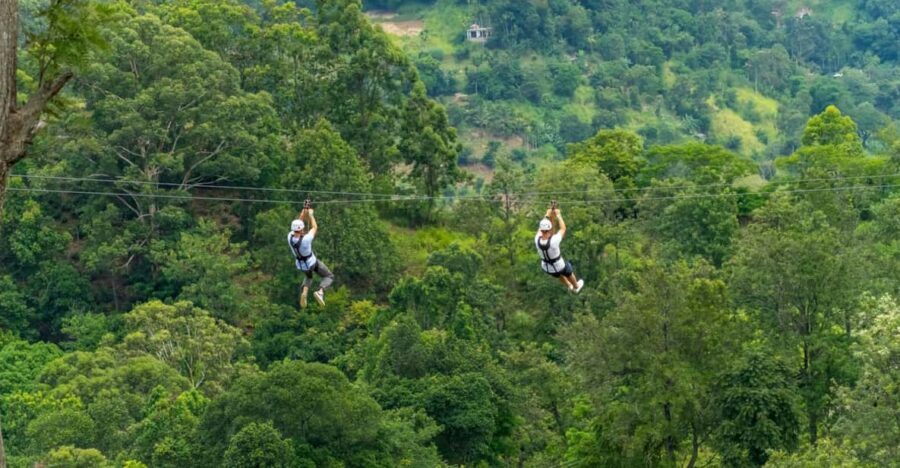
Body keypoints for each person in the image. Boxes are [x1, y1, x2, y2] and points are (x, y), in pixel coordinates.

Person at [288, 206, 334, 308]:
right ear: (301, 229)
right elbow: (314, 227)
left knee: (309, 276)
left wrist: (304, 210)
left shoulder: (289, 237)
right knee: (329, 276)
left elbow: (298, 222)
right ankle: (320, 292)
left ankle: (304, 292)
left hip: (301, 265)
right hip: (312, 263)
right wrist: (311, 215)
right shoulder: (306, 239)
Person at [535, 206, 584, 293]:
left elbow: (541, 228)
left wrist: (547, 214)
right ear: (549, 229)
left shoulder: (537, 239)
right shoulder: (554, 240)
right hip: (559, 265)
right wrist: (558, 215)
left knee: (558, 274)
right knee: (568, 271)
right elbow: (563, 229)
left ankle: (569, 285)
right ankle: (576, 287)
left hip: (547, 267)